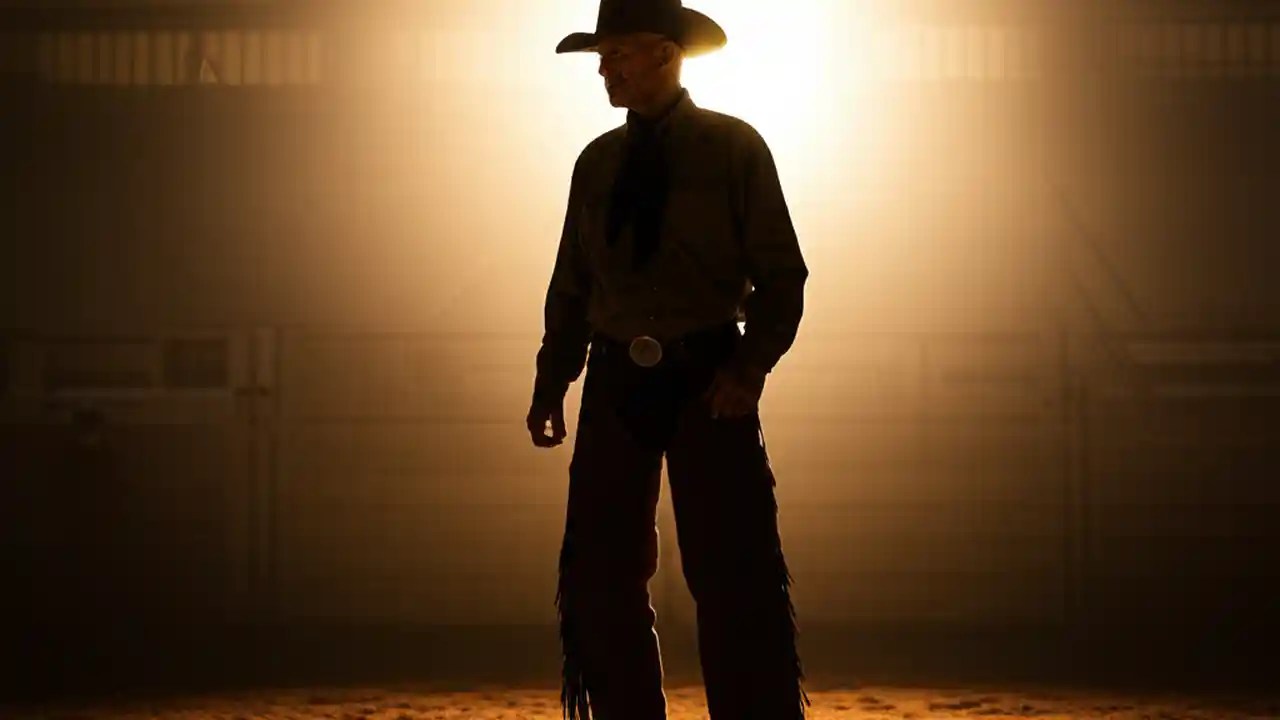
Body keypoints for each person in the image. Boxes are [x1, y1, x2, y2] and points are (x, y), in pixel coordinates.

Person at [525, 0, 810, 717]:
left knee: (733, 570)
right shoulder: (597, 163)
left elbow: (782, 275)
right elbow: (572, 281)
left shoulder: (734, 150)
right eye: (602, 56)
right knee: (600, 573)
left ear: (662, 54)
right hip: (617, 371)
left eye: (616, 53)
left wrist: (748, 369)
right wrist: (553, 378)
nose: (602, 68)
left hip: (709, 370)